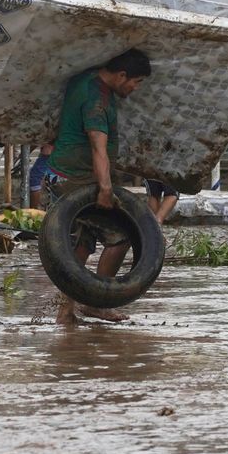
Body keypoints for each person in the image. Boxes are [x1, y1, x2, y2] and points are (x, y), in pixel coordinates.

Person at [47, 48, 152, 325]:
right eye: (136, 82)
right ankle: (97, 301)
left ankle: (65, 312)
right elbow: (98, 148)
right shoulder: (98, 101)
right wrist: (105, 188)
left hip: (60, 172)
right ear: (121, 75)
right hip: (77, 179)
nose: (135, 88)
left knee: (77, 247)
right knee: (120, 236)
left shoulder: (84, 80)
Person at [28, 143, 55, 209]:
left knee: (34, 180)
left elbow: (38, 139)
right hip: (59, 153)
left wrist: (26, 153)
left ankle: (33, 211)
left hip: (49, 153)